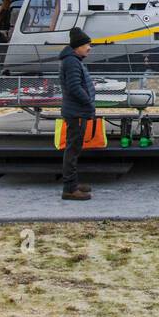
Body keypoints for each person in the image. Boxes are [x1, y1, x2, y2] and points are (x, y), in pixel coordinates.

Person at [59, 26, 98, 200]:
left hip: (76, 110)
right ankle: (69, 189)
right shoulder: (72, 62)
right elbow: (74, 87)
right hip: (76, 112)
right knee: (72, 150)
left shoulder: (73, 60)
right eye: (86, 45)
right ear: (77, 46)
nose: (89, 47)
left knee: (74, 149)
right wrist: (88, 103)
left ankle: (72, 184)